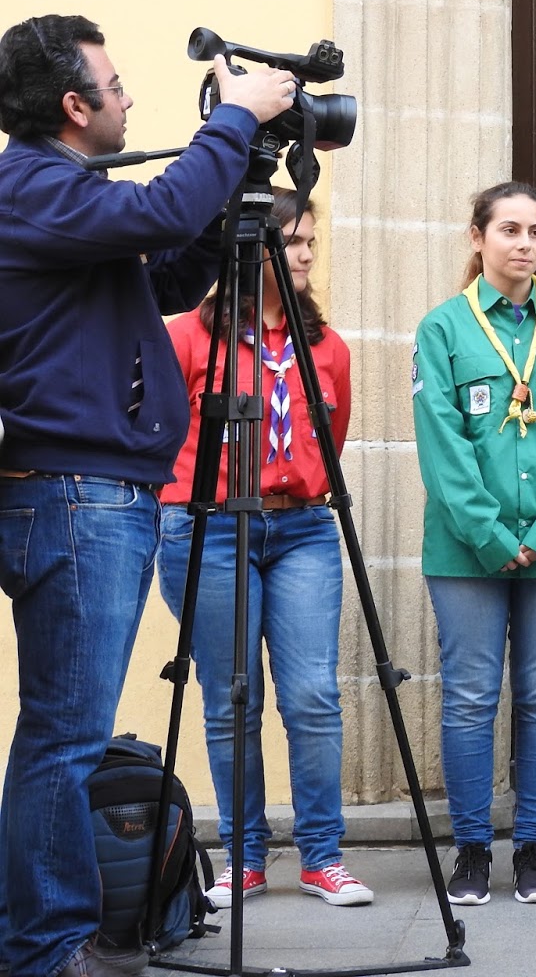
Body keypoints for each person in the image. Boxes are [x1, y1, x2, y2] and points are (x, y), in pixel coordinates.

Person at [0, 13, 292, 977]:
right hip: (76, 498)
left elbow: (161, 266)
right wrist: (237, 119)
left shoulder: (63, 198)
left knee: (60, 733)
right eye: (115, 85)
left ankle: (43, 941)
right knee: (65, 738)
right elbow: (157, 214)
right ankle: (45, 954)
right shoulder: (31, 185)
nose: (129, 99)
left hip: (90, 494)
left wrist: (231, 216)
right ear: (74, 106)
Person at [156, 189, 369, 909]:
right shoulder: (190, 335)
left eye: (312, 241)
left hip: (302, 526)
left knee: (311, 695)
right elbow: (157, 434)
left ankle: (322, 857)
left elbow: (327, 445)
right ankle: (243, 859)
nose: (308, 253)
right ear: (256, 249)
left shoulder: (326, 345)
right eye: (297, 241)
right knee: (231, 700)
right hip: (211, 528)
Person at [411, 182, 536, 907]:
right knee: (468, 697)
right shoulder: (444, 329)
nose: (524, 244)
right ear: (477, 237)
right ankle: (471, 849)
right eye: (509, 230)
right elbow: (442, 446)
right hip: (467, 551)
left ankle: (533, 848)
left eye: (535, 232)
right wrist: (493, 535)